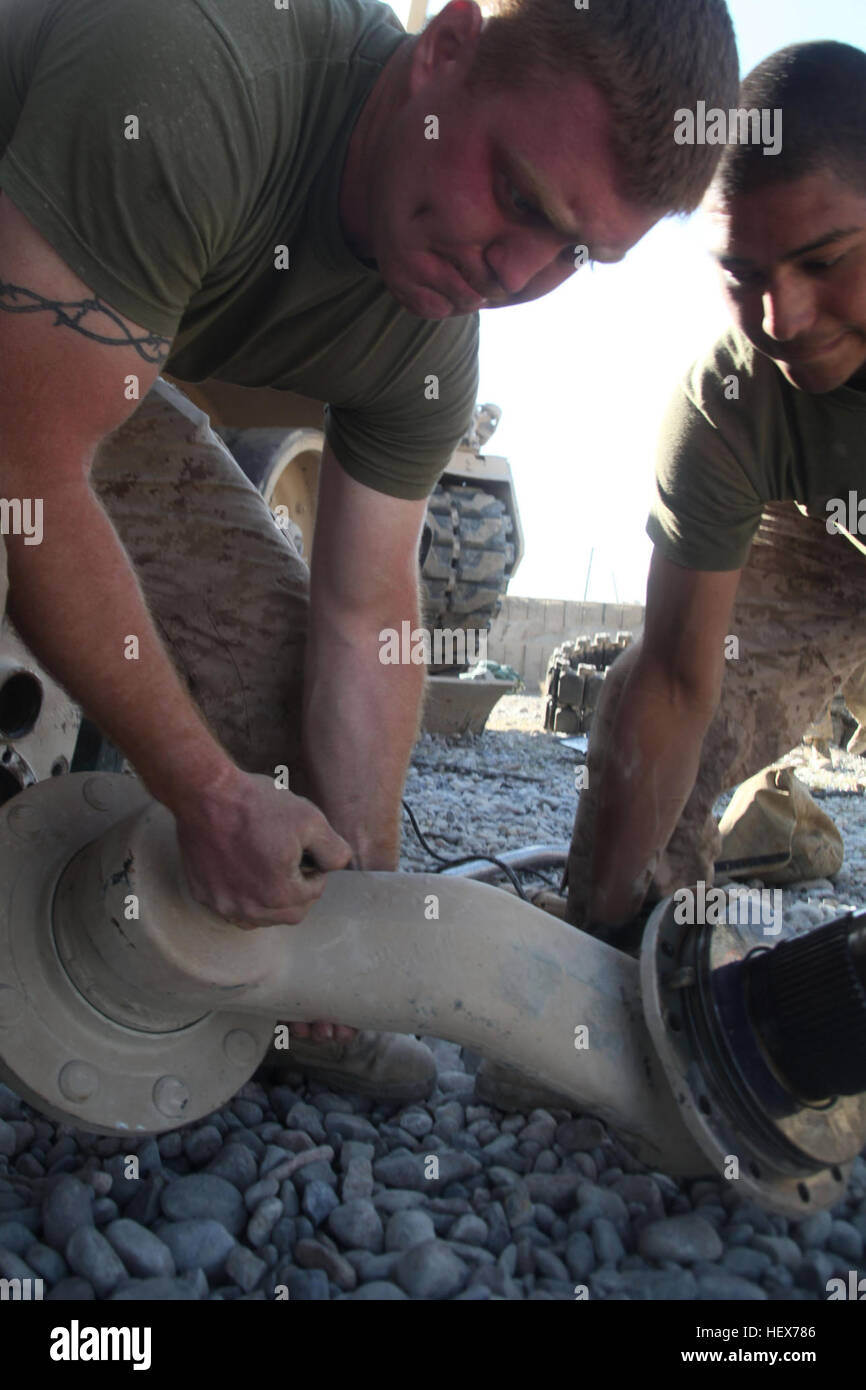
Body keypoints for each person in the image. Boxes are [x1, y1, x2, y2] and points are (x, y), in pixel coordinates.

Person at [0, 0, 737, 1101]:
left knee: (282, 751)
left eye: (574, 253)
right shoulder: (199, 67)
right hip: (21, 388)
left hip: (45, 380)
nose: (517, 274)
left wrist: (359, 927)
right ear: (446, 50)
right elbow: (23, 473)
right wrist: (202, 791)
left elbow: (365, 613)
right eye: (519, 198)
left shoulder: (431, 340)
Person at [562, 41, 866, 949]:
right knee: (657, 716)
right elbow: (675, 681)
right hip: (829, 541)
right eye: (745, 275)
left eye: (824, 261)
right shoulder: (729, 404)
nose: (783, 318)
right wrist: (602, 934)